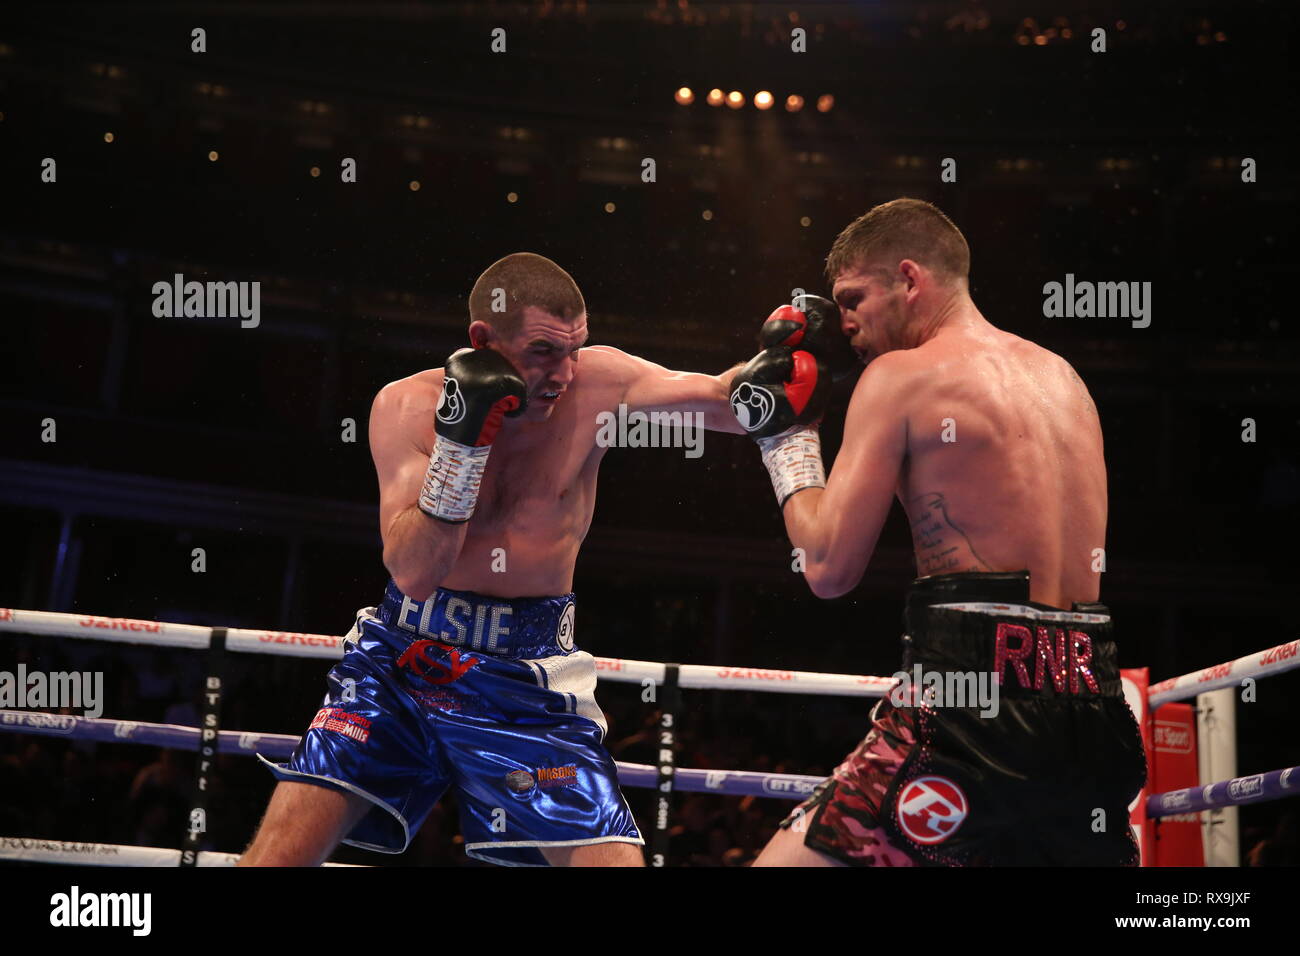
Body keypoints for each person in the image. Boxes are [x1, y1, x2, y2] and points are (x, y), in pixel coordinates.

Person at [240, 252, 743, 867]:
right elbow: (415, 572)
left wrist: (791, 372)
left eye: (574, 348)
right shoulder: (406, 406)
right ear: (483, 341)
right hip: (404, 658)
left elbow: (727, 402)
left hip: (528, 680)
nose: (563, 372)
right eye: (542, 352)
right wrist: (462, 447)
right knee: (277, 861)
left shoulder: (600, 383)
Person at [730, 198, 1147, 866]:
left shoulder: (897, 376)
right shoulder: (1064, 379)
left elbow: (829, 568)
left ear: (910, 278)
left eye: (853, 298)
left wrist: (787, 443)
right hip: (1091, 707)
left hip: (968, 709)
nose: (846, 324)